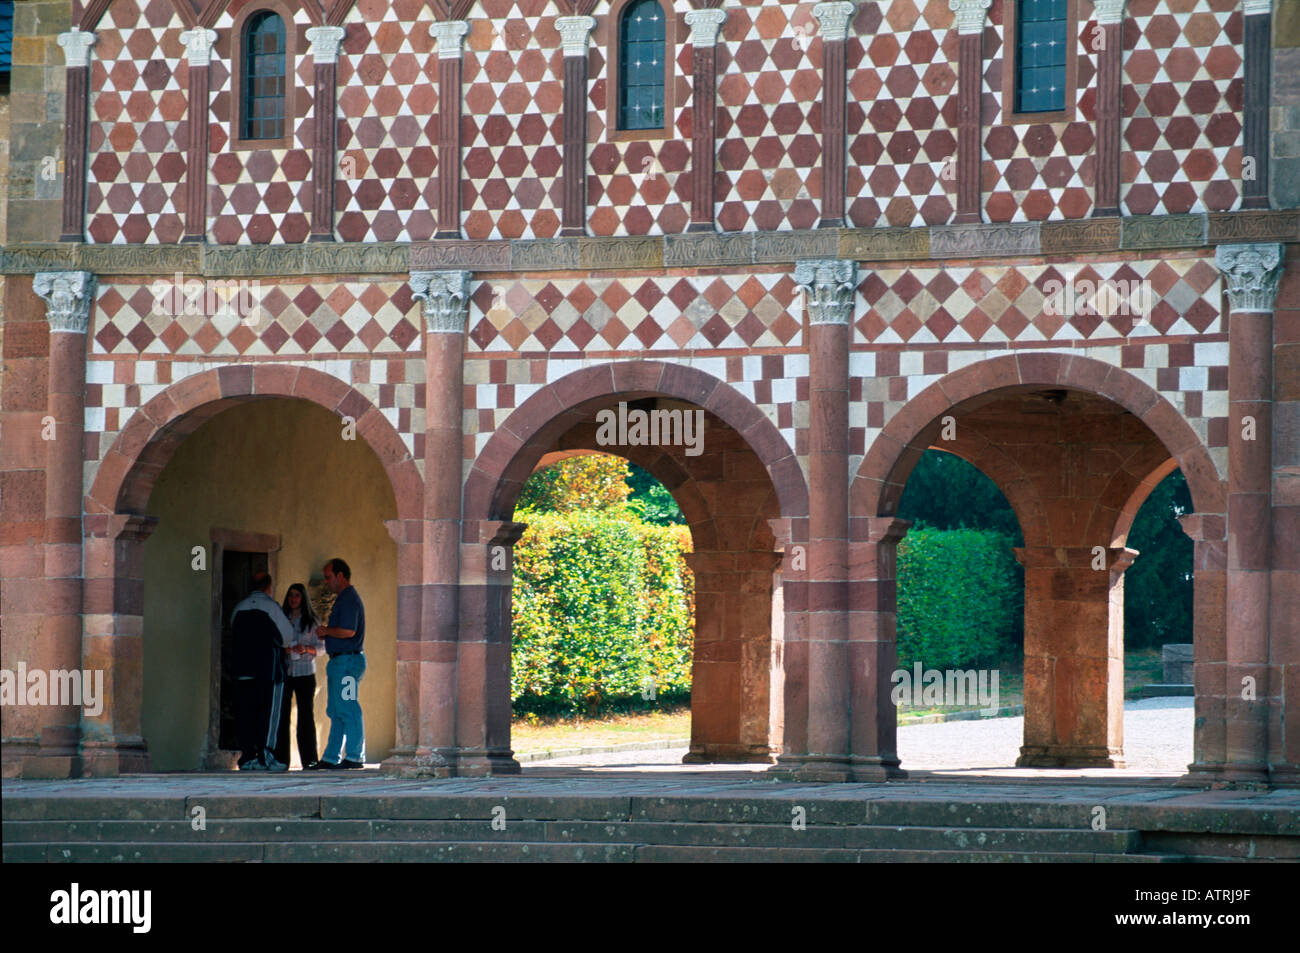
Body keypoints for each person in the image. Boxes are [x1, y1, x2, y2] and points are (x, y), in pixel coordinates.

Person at [231, 571, 294, 771]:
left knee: (247, 714)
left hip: (243, 671)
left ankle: (249, 757)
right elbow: (287, 638)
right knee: (268, 715)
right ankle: (267, 756)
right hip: (268, 671)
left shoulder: (239, 608)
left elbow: (232, 633)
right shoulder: (272, 608)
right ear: (269, 586)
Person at [309, 557, 367, 769]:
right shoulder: (344, 598)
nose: (326, 582)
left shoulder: (349, 599)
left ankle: (354, 755)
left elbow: (349, 631)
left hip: (348, 662)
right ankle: (331, 757)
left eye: (328, 577)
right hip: (340, 662)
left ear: (340, 576)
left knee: (348, 707)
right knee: (336, 710)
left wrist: (326, 631)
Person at [273, 582, 321, 769]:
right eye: (291, 595)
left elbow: (322, 647)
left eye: (297, 595)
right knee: (282, 717)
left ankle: (309, 760)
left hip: (305, 673)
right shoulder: (281, 619)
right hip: (286, 672)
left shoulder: (312, 621)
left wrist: (306, 649)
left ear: (303, 599)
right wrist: (283, 650)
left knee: (306, 718)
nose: (293, 599)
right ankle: (281, 760)